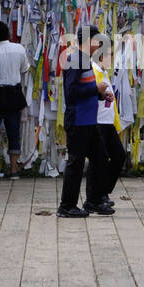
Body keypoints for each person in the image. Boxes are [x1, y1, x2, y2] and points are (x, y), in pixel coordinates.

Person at [58, 24, 113, 218]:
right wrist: (96, 90)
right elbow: (70, 93)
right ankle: (66, 206)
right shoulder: (75, 59)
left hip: (89, 120)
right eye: (98, 40)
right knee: (76, 164)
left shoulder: (85, 60)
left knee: (100, 159)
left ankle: (94, 201)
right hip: (78, 121)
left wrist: (101, 95)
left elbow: (85, 89)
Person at [0, 20, 27, 179]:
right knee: (14, 134)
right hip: (14, 97)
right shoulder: (19, 49)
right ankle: (14, 170)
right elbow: (24, 69)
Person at [88, 32, 126, 211]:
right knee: (99, 161)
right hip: (97, 122)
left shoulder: (103, 72)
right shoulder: (93, 71)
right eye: (111, 53)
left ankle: (102, 192)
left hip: (108, 123)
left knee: (119, 156)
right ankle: (95, 198)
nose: (113, 57)